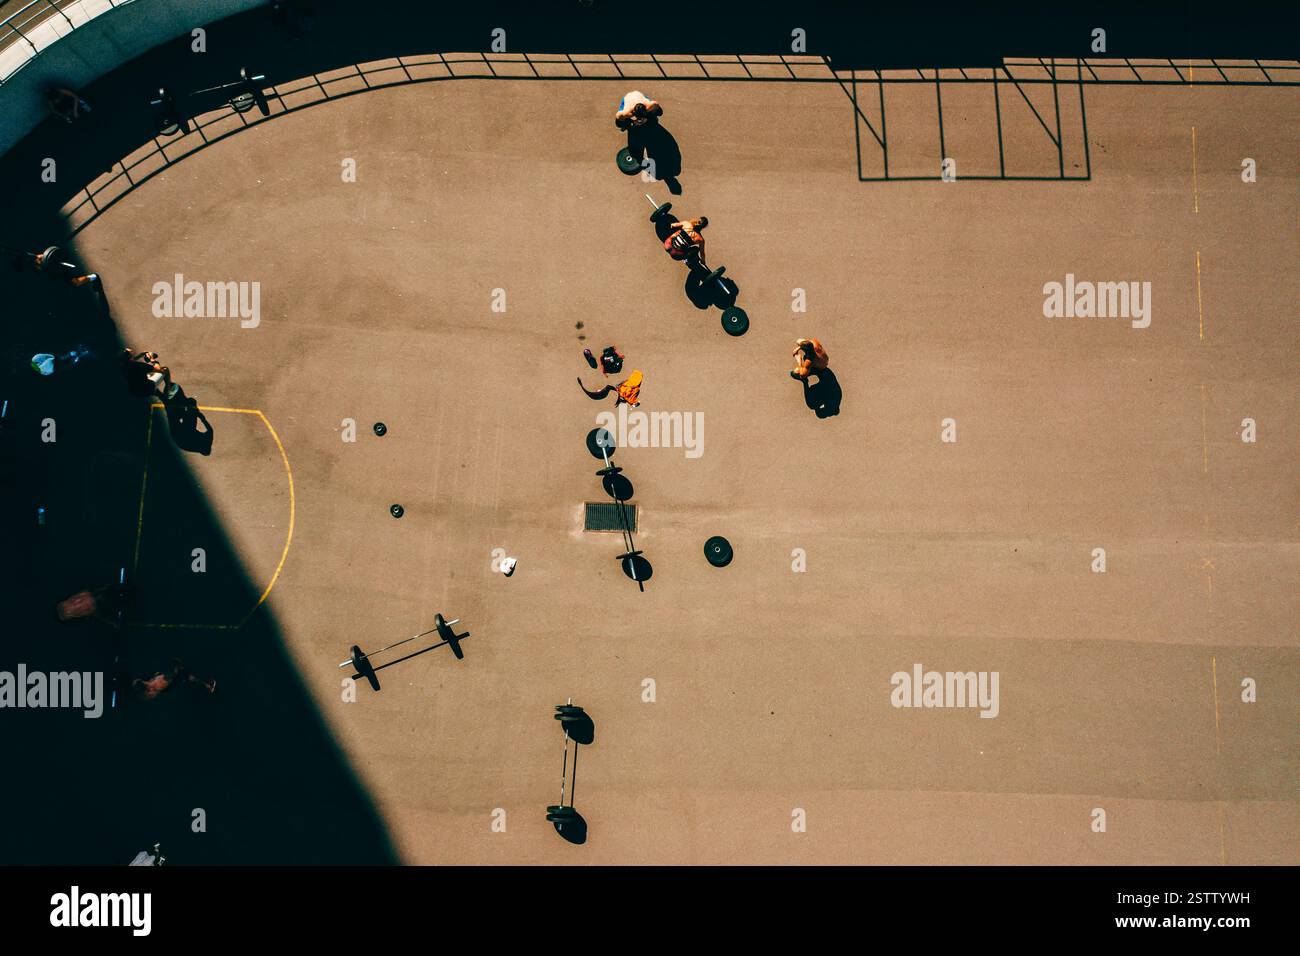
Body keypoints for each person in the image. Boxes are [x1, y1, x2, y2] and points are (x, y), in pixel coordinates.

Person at [132, 660, 216, 700]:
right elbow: (166, 683)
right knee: (189, 676)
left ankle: (207, 686)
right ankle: (208, 686)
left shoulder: (149, 685)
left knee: (188, 677)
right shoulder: (152, 688)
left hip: (170, 680)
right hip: (172, 681)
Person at [577, 369, 643, 407]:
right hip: (619, 392)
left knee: (610, 388)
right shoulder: (609, 392)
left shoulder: (607, 393)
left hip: (619, 392)